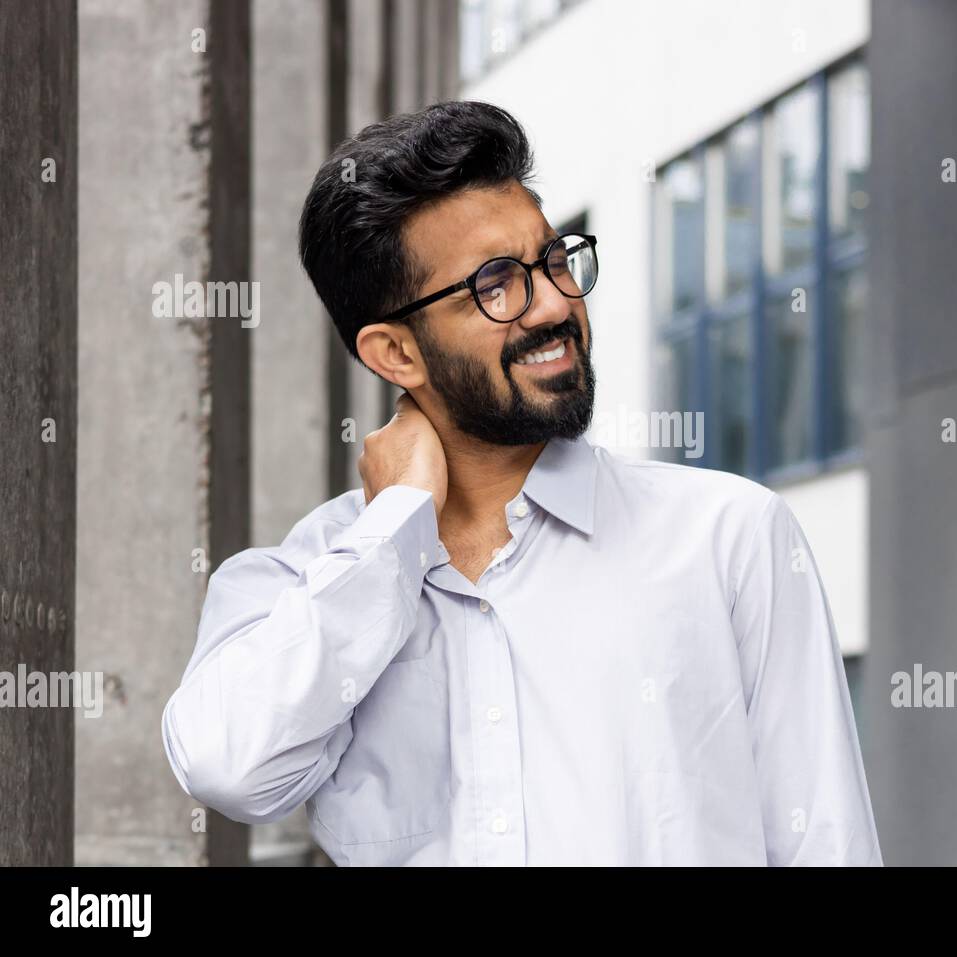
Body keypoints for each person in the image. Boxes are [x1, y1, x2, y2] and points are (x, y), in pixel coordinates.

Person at [161, 100, 882, 866]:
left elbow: (826, 843)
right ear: (395, 354)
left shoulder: (729, 538)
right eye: (496, 284)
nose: (555, 302)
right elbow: (227, 764)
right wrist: (392, 533)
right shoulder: (299, 582)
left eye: (555, 260)